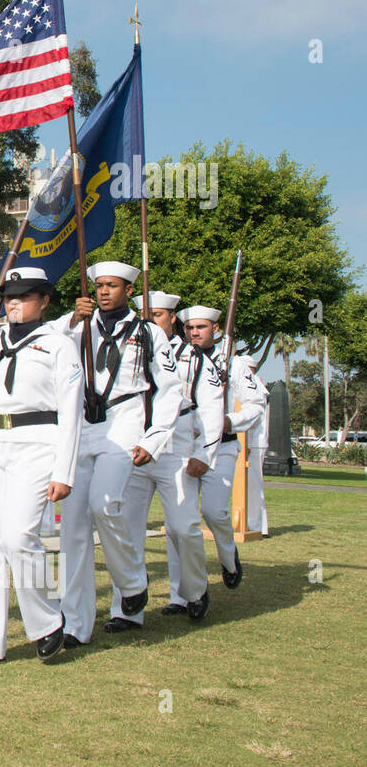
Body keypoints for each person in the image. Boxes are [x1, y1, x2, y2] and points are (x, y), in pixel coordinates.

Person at [0, 266, 82, 665]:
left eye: (24, 297)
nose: (14, 304)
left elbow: (72, 412)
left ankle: (45, 622)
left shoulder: (59, 346)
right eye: (9, 296)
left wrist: (65, 471)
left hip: (36, 443)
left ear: (43, 302)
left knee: (18, 535)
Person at [54, 261, 183, 646]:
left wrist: (154, 437)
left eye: (112, 286)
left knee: (104, 504)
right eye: (99, 286)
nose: (104, 292)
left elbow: (171, 387)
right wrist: (70, 322)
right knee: (73, 529)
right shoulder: (79, 326)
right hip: (83, 426)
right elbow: (43, 345)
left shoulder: (147, 334)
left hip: (124, 424)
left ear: (129, 290)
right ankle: (75, 624)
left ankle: (131, 581)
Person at [116, 292, 218, 623]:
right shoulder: (126, 348)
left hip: (177, 451)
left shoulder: (194, 358)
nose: (150, 321)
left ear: (172, 318)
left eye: (157, 315)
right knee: (127, 529)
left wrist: (205, 451)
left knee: (183, 527)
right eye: (145, 314)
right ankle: (127, 609)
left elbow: (212, 407)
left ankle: (194, 590)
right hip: (135, 448)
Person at [176, 306, 265, 583]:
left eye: (200, 327)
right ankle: (186, 588)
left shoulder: (234, 364)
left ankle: (228, 559)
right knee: (181, 519)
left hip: (222, 448)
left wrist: (228, 421)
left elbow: (257, 404)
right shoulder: (176, 359)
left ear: (215, 329)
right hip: (185, 447)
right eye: (189, 328)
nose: (194, 333)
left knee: (214, 512)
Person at [240, 354, 270, 537]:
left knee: (254, 486)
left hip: (253, 443)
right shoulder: (258, 384)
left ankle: (257, 524)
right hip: (252, 442)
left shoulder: (255, 386)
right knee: (251, 487)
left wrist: (247, 443)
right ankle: (256, 523)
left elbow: (253, 419)